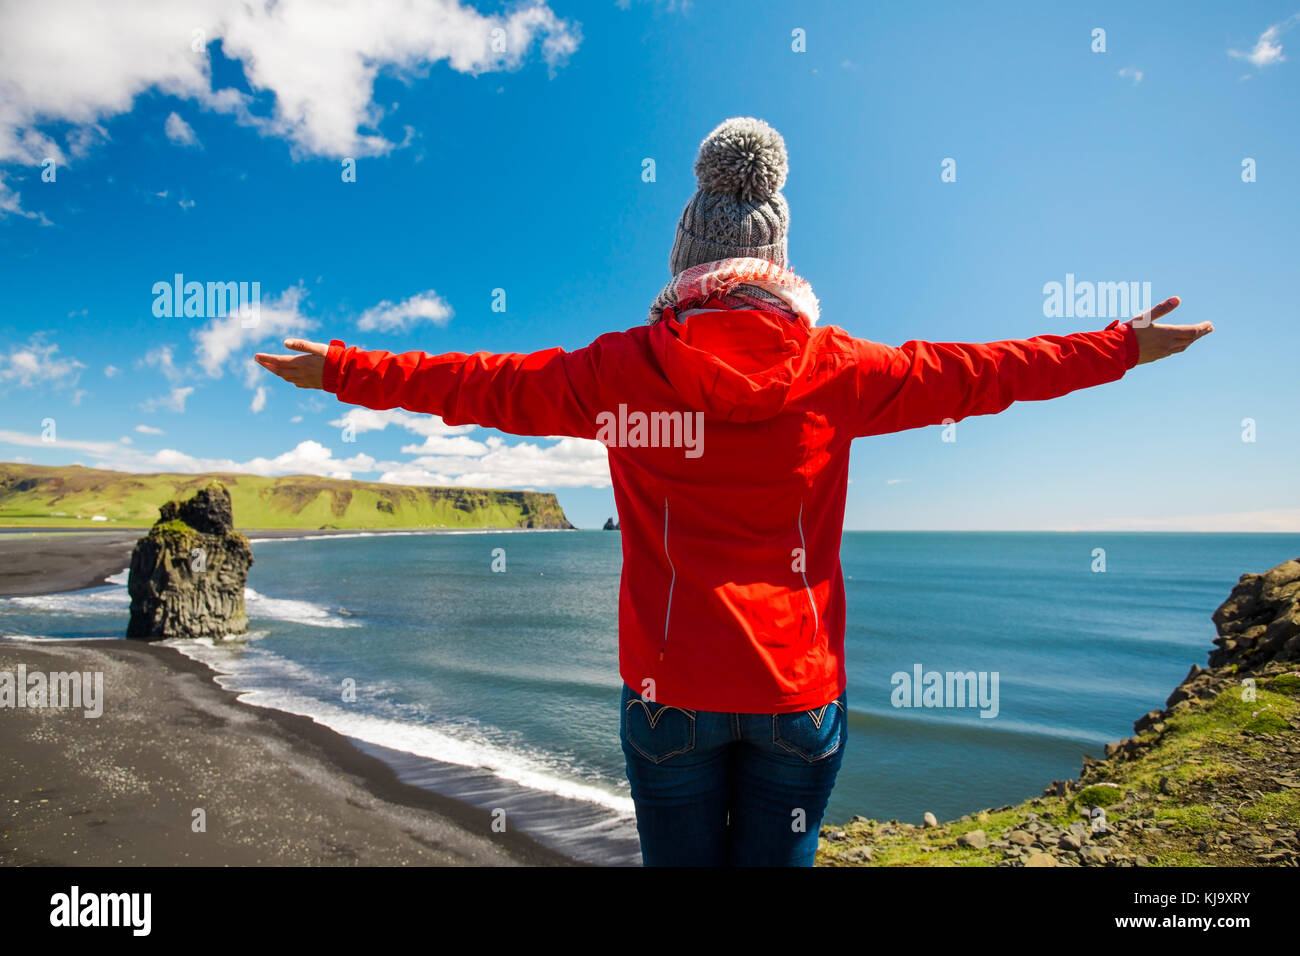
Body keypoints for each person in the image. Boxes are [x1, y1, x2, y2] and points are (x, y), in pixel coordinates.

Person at [254, 117, 1213, 867]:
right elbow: (989, 370)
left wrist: (343, 367)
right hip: (797, 694)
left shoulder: (621, 369)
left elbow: (476, 386)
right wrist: (1120, 346)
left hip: (670, 692)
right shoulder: (842, 368)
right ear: (776, 257)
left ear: (686, 257)